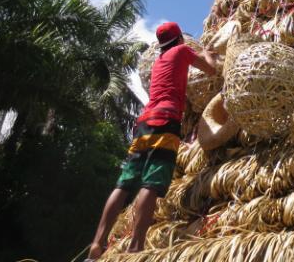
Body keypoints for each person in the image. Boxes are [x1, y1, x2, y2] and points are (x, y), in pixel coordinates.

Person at [87, 21, 221, 259]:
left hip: (144, 122)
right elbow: (211, 69)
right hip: (166, 121)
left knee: (124, 183)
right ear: (180, 38)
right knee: (151, 182)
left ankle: (97, 243)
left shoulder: (159, 62)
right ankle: (136, 245)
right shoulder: (182, 50)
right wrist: (208, 55)